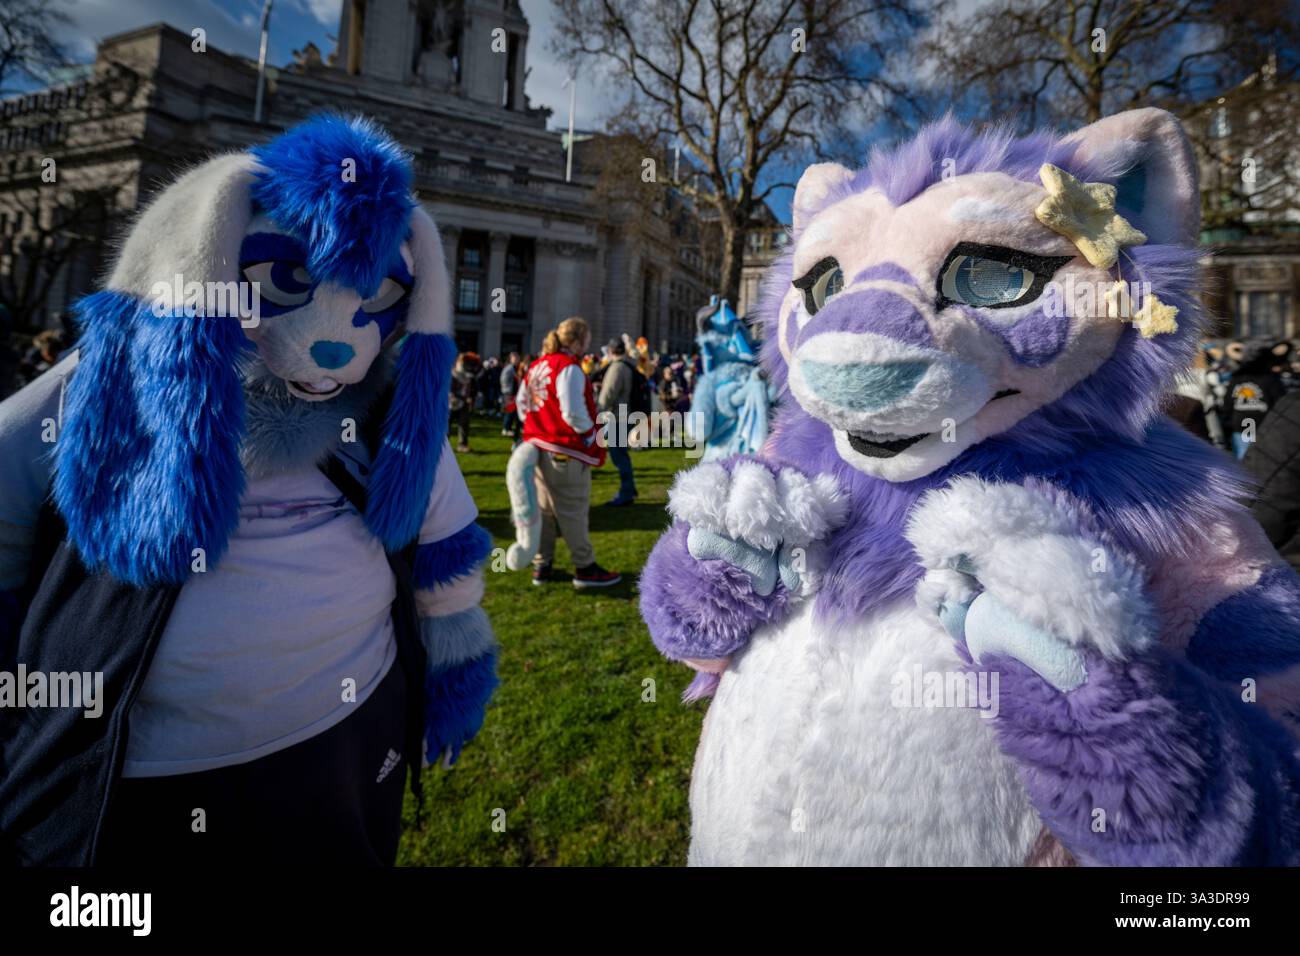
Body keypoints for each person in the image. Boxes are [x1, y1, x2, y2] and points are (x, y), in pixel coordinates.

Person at [517, 317, 621, 588]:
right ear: (576, 341)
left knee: (545, 510)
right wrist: (589, 436)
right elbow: (573, 411)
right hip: (564, 448)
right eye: (586, 339)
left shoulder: (538, 365)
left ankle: (543, 564)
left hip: (538, 446)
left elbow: (521, 404)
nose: (588, 345)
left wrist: (538, 427)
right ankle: (585, 567)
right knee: (572, 509)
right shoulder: (568, 367)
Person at [597, 338, 639, 507]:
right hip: (625, 414)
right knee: (620, 454)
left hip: (618, 416)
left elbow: (608, 393)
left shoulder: (617, 368)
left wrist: (598, 409)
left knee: (619, 456)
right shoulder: (627, 365)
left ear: (611, 351)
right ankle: (630, 488)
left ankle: (627, 491)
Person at [449, 351, 481, 452]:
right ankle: (442, 446)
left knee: (464, 424)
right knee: (445, 426)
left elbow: (473, 388)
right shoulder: (452, 374)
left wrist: (471, 397)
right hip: (450, 403)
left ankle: (462, 445)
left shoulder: (469, 376)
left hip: (464, 403)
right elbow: (449, 390)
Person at [499, 351, 519, 436]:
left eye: (517, 358)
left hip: (512, 393)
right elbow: (503, 380)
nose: (517, 360)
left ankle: (508, 428)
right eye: (515, 358)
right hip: (508, 393)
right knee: (509, 411)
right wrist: (507, 391)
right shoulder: (509, 368)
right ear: (511, 359)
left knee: (511, 411)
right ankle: (506, 429)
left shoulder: (513, 368)